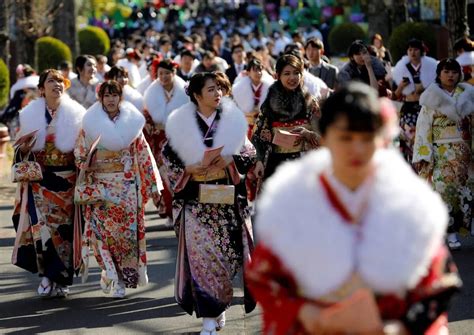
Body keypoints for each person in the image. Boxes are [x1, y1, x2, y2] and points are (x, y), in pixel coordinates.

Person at [246, 82, 461, 335]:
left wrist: (399, 327)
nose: (357, 149)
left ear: (381, 138)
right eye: (346, 137)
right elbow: (264, 276)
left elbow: (439, 281)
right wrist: (306, 314)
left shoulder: (406, 200)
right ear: (324, 138)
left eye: (367, 137)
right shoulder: (295, 199)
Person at [162, 72, 256, 335]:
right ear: (196, 94)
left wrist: (230, 159)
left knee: (227, 259)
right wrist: (188, 169)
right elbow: (168, 159)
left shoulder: (232, 119)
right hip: (196, 202)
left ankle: (219, 306)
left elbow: (249, 151)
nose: (218, 94)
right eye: (211, 90)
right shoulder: (181, 122)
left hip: (226, 201)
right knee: (202, 261)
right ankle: (207, 319)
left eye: (219, 89)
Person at [74, 80, 162, 298]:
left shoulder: (132, 124)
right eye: (106, 95)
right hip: (101, 185)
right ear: (100, 99)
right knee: (102, 234)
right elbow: (79, 152)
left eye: (114, 95)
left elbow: (144, 155)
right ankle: (109, 272)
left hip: (126, 186)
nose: (111, 99)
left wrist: (153, 185)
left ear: (120, 98)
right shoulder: (90, 124)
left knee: (125, 236)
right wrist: (86, 163)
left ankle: (121, 278)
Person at [12, 69, 86, 297]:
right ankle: (46, 275)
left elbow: (84, 147)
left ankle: (61, 279)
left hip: (68, 180)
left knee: (64, 233)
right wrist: (23, 149)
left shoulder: (77, 113)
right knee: (42, 229)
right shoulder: (29, 114)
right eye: (51, 81)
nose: (57, 84)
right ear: (42, 89)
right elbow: (19, 147)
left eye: (60, 81)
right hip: (41, 181)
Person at [413, 58, 474, 250]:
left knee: (468, 191)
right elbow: (423, 128)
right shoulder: (431, 98)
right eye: (446, 72)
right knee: (444, 192)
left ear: (459, 74)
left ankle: (468, 226)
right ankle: (450, 233)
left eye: (454, 72)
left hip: (465, 151)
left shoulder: (468, 95)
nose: (450, 75)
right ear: (439, 74)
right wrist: (424, 154)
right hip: (442, 152)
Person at [252, 54, 320, 181]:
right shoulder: (269, 104)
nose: (292, 77)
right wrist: (259, 161)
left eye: (296, 73)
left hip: (306, 162)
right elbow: (258, 135)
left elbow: (325, 135)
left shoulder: (310, 102)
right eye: (287, 73)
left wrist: (308, 134)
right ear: (278, 76)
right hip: (276, 163)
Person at [143, 59, 189, 223]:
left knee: (181, 174)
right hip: (160, 138)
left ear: (174, 73)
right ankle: (170, 211)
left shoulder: (184, 92)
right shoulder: (151, 92)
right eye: (160, 73)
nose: (164, 76)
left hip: (179, 138)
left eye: (167, 73)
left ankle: (183, 211)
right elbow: (147, 118)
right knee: (164, 176)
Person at [392, 39, 438, 164]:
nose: (413, 52)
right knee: (409, 140)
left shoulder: (430, 67)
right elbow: (394, 96)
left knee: (425, 137)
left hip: (425, 106)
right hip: (408, 109)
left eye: (416, 49)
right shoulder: (401, 68)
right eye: (410, 49)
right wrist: (401, 86)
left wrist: (425, 87)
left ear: (422, 51)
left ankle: (424, 166)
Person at [232, 58, 274, 139]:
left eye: (260, 70)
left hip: (264, 125)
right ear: (248, 72)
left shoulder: (269, 87)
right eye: (255, 70)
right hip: (247, 124)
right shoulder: (239, 89)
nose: (258, 73)